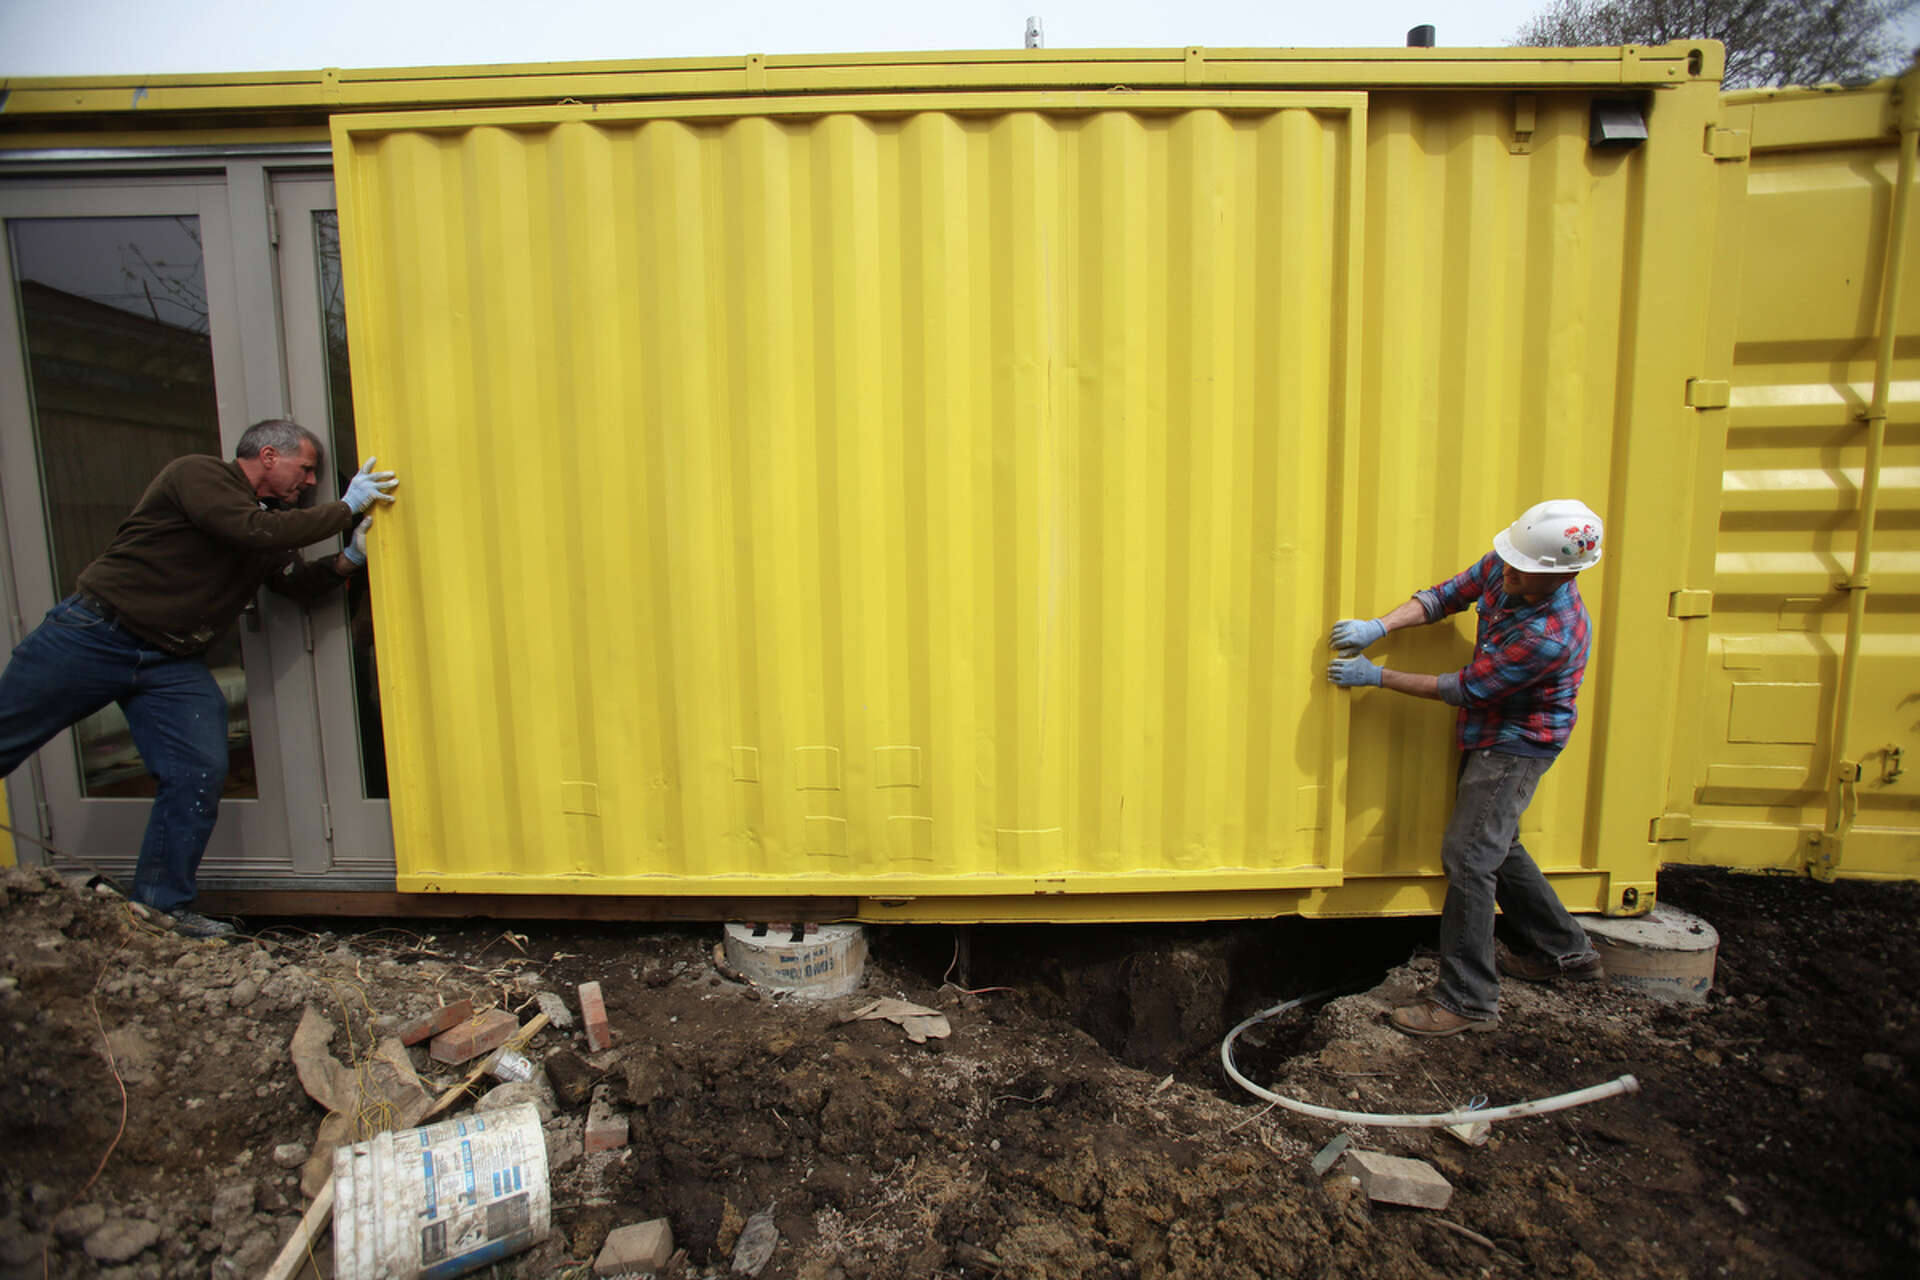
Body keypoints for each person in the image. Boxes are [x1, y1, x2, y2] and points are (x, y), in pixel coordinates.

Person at [0, 420, 399, 938]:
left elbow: (292, 582)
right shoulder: (199, 476)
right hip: (95, 633)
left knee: (197, 772)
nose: (308, 482)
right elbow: (251, 532)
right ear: (269, 455)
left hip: (168, 660)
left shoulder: (267, 521)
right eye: (306, 470)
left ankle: (160, 909)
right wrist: (346, 509)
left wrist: (349, 560)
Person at [1326, 499, 1607, 1037]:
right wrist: (1377, 628)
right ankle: (1566, 952)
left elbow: (1467, 688)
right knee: (1500, 845)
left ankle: (1467, 999)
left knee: (1469, 856)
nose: (1505, 573)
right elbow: (1446, 596)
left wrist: (1375, 677)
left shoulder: (1550, 634)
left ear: (1563, 574)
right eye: (1508, 560)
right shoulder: (1515, 563)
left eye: (1520, 570)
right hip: (1490, 732)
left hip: (1518, 743)